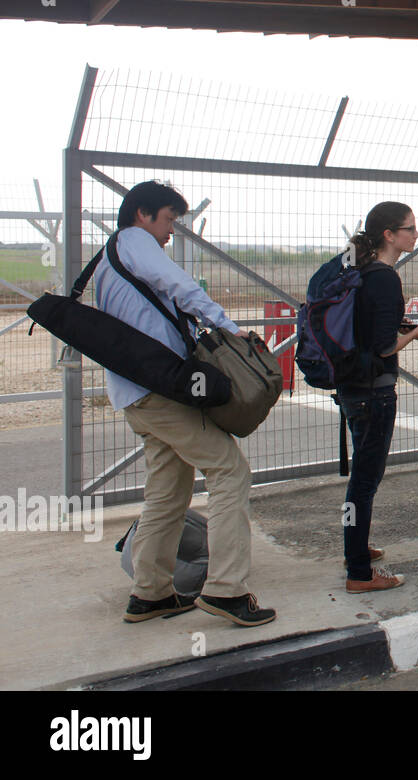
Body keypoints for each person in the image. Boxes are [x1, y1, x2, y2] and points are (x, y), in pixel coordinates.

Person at [97, 181, 275, 627]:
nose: (170, 232)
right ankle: (226, 590)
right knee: (230, 470)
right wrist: (229, 327)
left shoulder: (108, 257)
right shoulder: (134, 241)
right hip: (160, 394)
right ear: (142, 214)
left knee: (167, 493)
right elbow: (179, 286)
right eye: (168, 220)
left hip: (135, 396)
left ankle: (151, 593)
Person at [339, 202, 418, 593]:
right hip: (374, 392)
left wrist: (403, 326)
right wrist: (415, 334)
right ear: (389, 235)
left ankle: (355, 549)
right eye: (410, 229)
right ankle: (359, 573)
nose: (417, 234)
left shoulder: (359, 270)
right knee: (364, 482)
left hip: (352, 388)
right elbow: (383, 347)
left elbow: (367, 328)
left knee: (362, 479)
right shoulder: (384, 278)